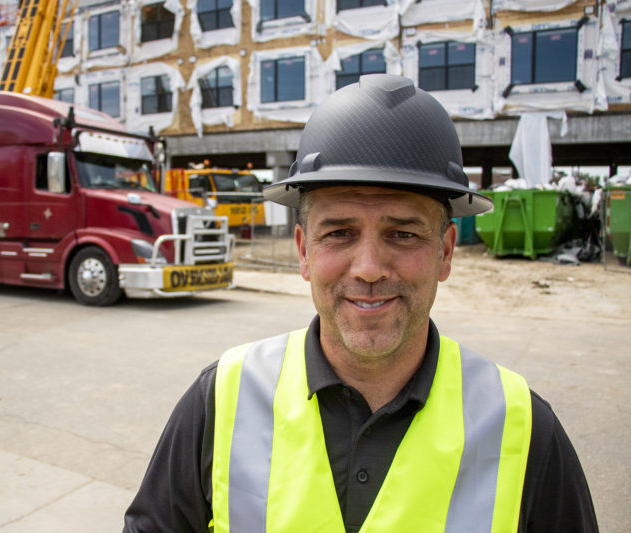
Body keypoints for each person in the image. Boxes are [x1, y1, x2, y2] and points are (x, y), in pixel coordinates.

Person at [123, 74, 598, 532]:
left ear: (445, 251)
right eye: (340, 233)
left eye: (403, 233)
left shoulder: (522, 426)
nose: (369, 268)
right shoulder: (220, 399)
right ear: (305, 251)